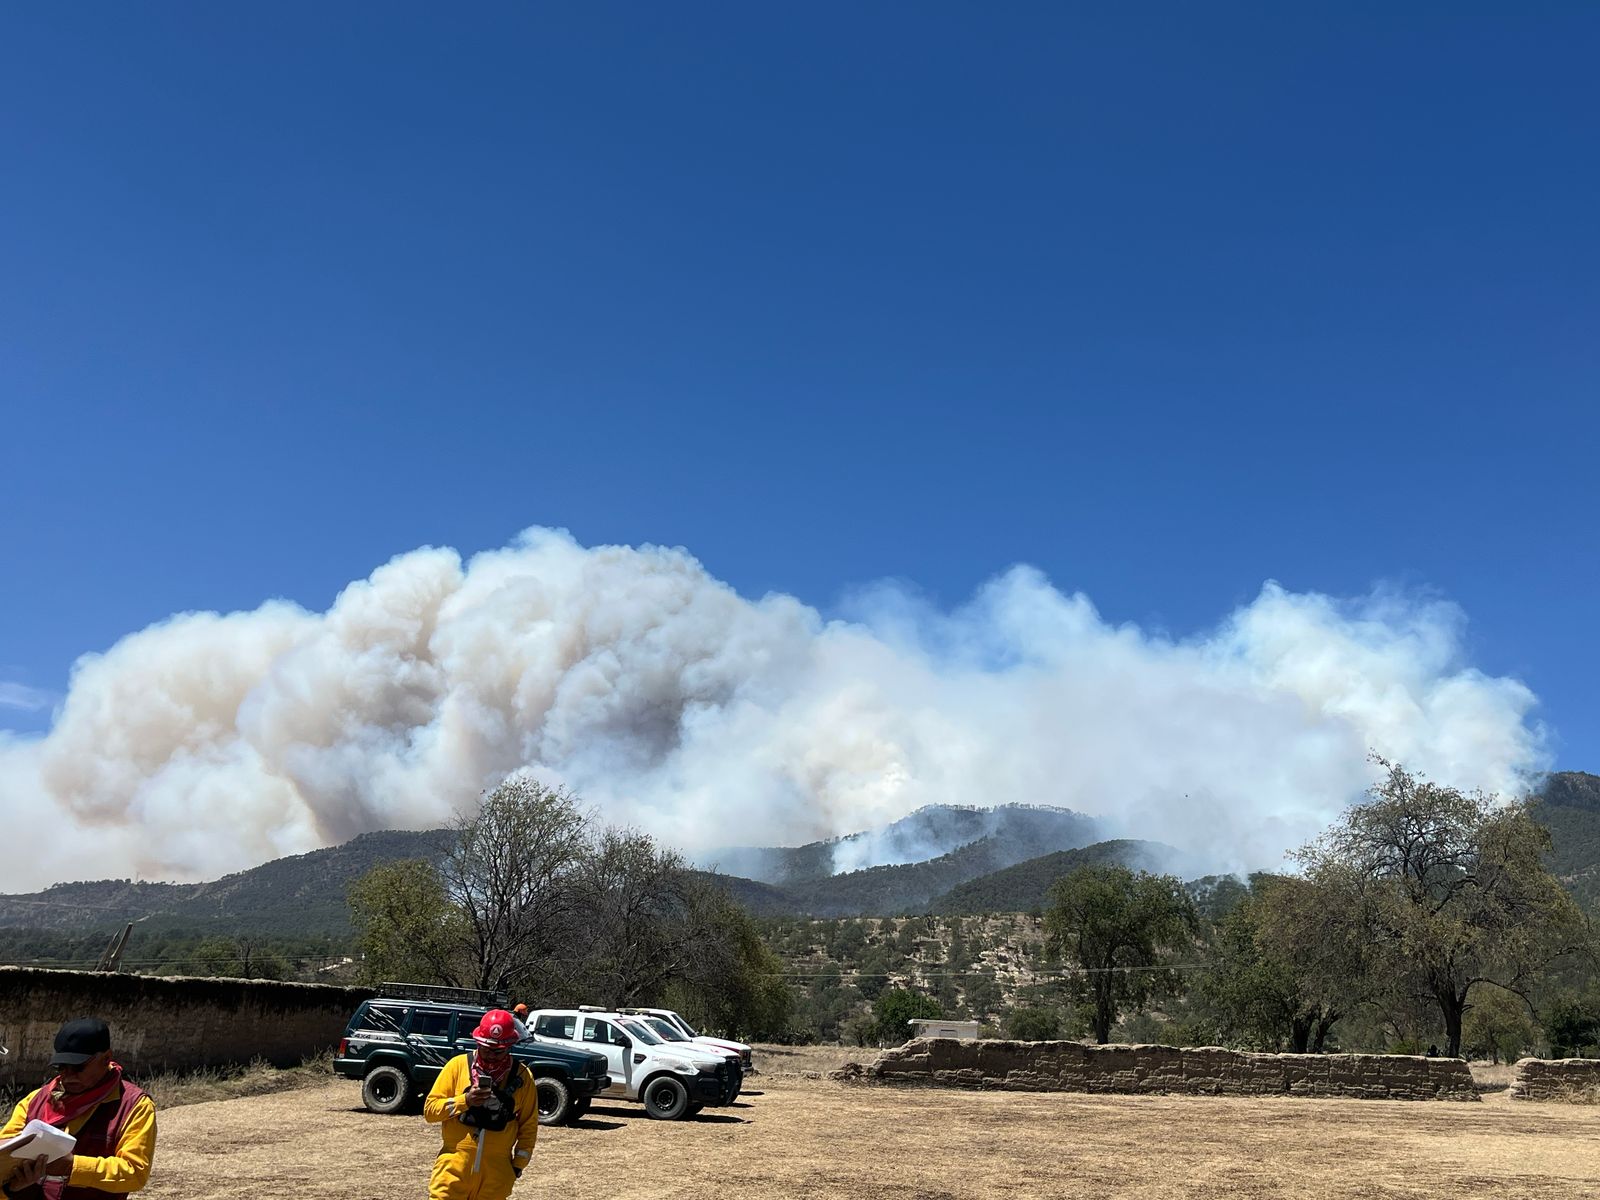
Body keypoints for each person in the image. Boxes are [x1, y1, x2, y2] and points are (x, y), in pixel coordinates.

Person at [0, 1017, 156, 1197]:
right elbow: (4, 1158)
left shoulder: (134, 1106)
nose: (68, 1076)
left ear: (106, 1058)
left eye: (78, 1067)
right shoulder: (34, 1101)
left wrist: (72, 1166)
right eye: (61, 1067)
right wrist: (11, 1187)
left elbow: (135, 1173)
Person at [424, 1009, 538, 1200]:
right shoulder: (457, 1066)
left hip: (496, 1178)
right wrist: (465, 1101)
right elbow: (430, 1111)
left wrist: (517, 1166)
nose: (492, 1056)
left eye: (498, 1051)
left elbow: (529, 1125)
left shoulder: (523, 1077)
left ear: (509, 1046)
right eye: (486, 1049)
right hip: (451, 1173)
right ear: (478, 1043)